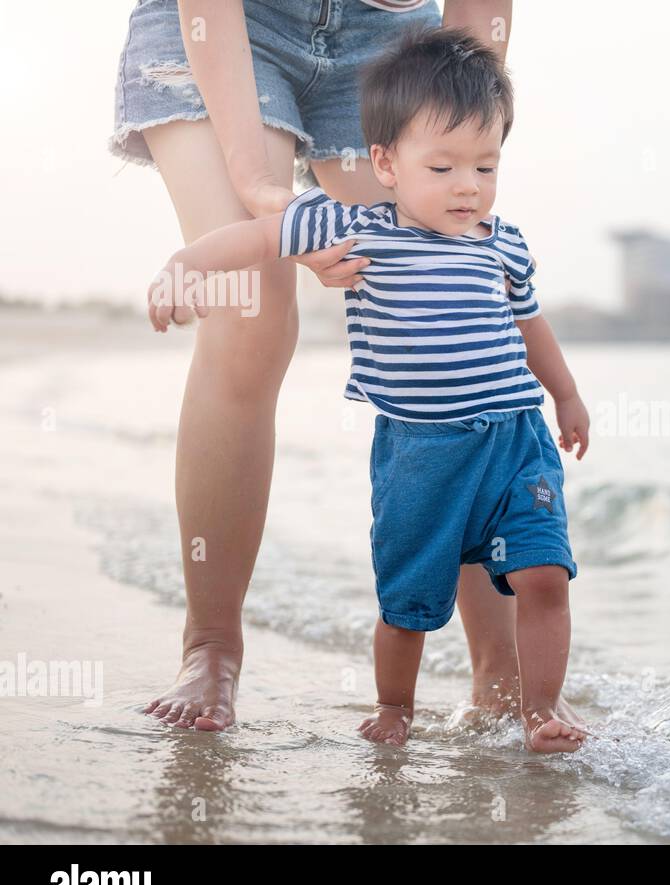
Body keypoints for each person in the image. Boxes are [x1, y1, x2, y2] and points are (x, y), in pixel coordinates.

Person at [112, 0, 586, 734]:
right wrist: (259, 203)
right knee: (254, 313)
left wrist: (467, 135)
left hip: (390, 45)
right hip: (227, 24)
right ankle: (212, 648)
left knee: (441, 283)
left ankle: (502, 669)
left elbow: (480, 24)